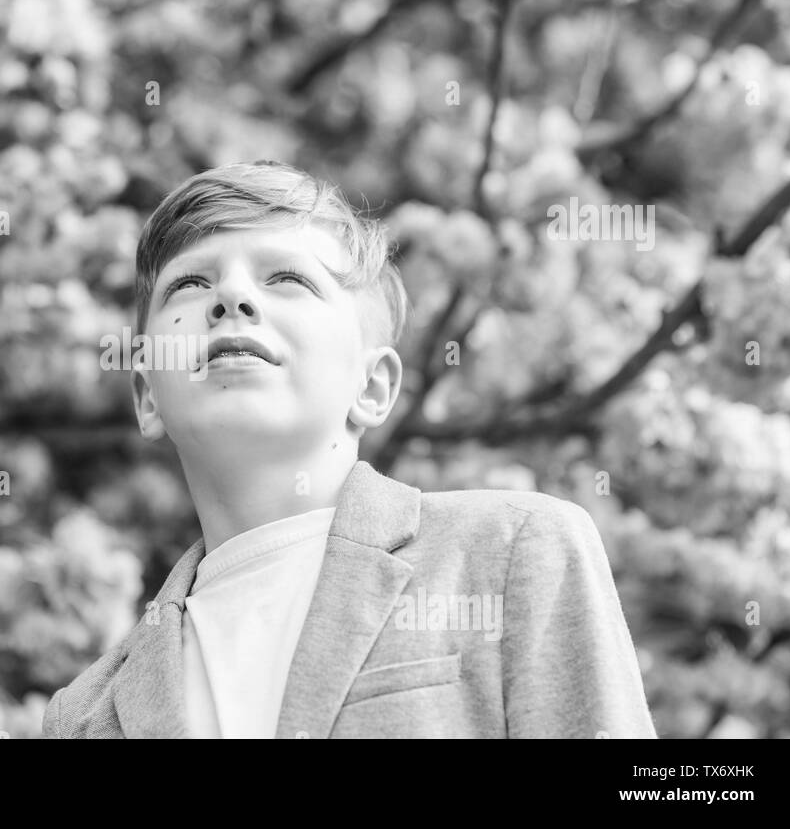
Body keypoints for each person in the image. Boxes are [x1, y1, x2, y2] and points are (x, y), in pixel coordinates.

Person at [42, 161, 656, 738]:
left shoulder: (513, 550)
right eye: (190, 283)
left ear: (373, 385)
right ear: (148, 396)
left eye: (287, 278)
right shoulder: (85, 714)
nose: (231, 297)